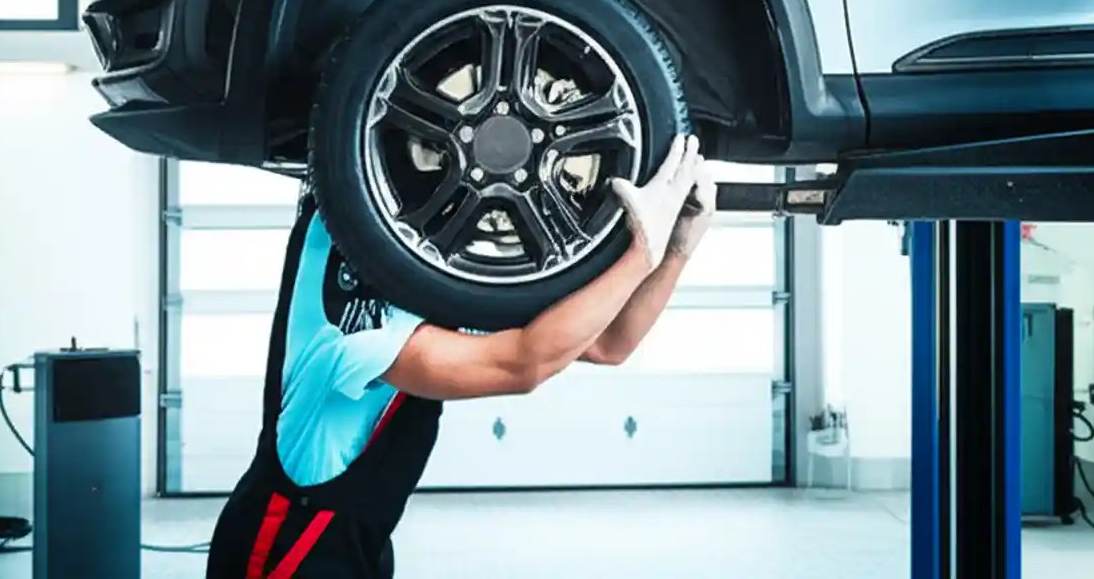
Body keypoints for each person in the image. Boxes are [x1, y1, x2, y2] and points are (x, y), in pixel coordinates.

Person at [206, 135, 715, 578]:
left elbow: (608, 344)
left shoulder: (426, 297)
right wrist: (640, 252)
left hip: (351, 548)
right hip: (282, 557)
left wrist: (674, 250)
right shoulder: (353, 340)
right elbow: (524, 364)